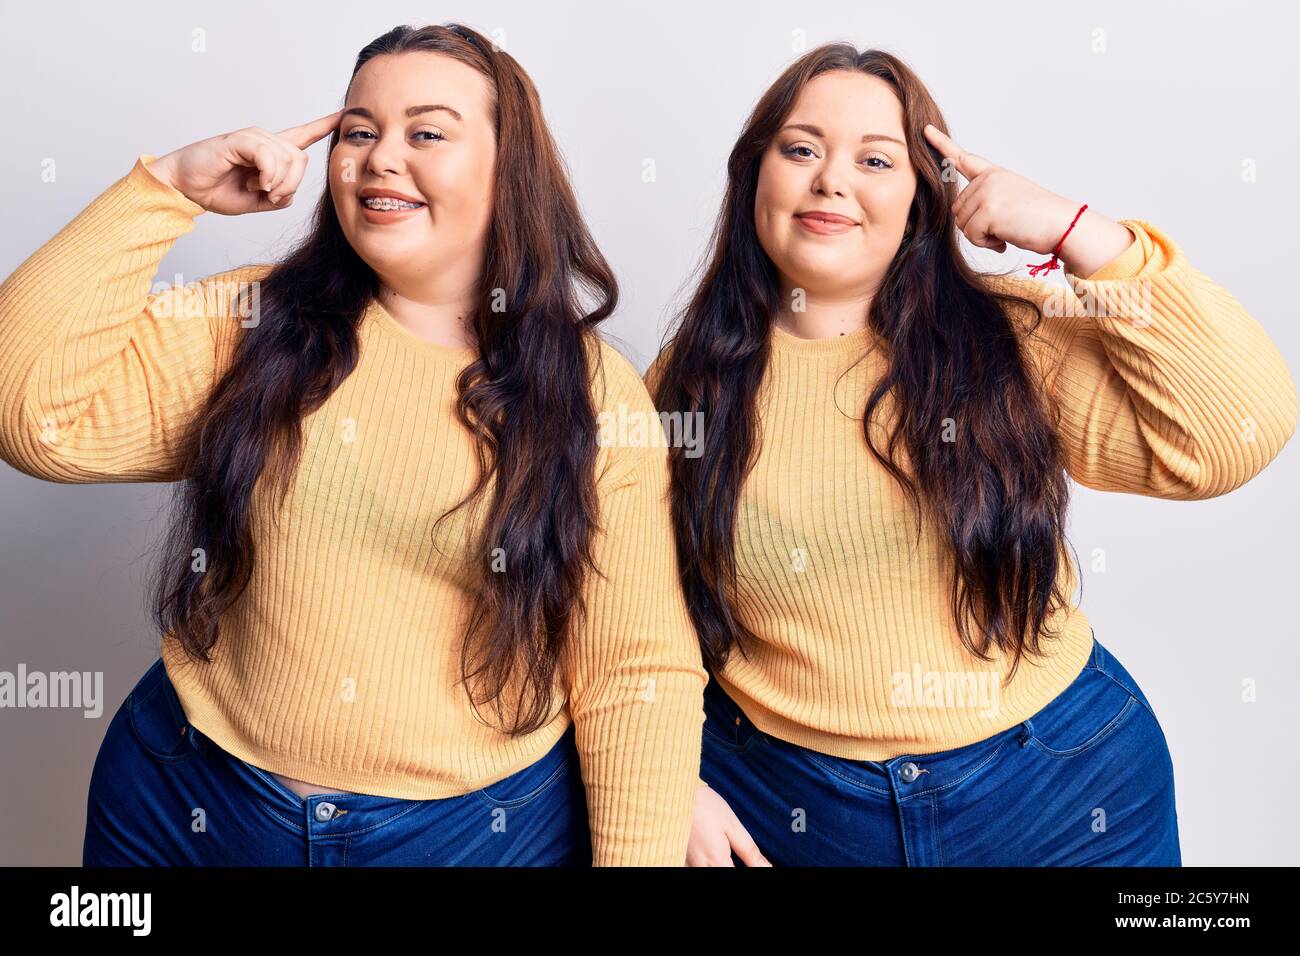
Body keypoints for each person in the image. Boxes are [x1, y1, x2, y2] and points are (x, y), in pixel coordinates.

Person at [0, 22, 706, 867]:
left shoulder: (589, 394)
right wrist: (167, 189)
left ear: (507, 168)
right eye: (360, 130)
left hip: (464, 840)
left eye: (427, 132)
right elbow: (32, 414)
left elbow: (636, 673)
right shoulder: (256, 323)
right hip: (185, 807)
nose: (378, 157)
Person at [645, 43, 1298, 866]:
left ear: (924, 198)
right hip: (787, 807)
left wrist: (1076, 230)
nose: (832, 180)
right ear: (755, 179)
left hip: (1061, 796)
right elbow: (637, 611)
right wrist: (673, 780)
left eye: (876, 159)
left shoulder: (1011, 339)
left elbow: (1238, 430)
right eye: (801, 148)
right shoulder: (687, 379)